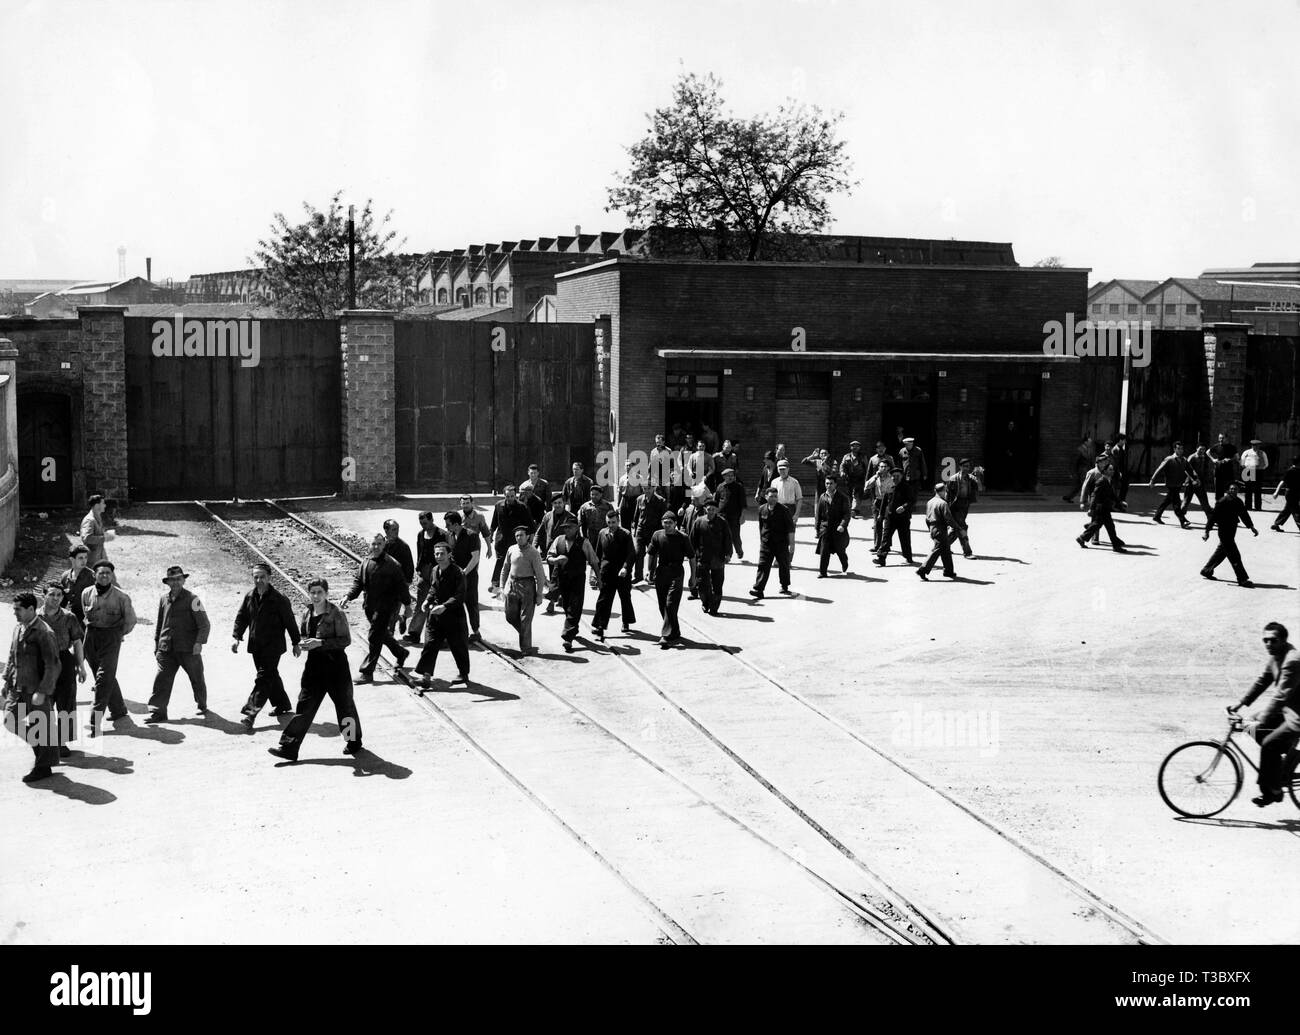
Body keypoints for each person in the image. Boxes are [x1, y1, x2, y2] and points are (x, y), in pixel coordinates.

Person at [269, 578, 363, 762]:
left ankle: (353, 741)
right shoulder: (307, 612)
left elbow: (345, 640)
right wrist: (303, 643)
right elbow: (304, 634)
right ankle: (289, 747)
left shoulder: (336, 613)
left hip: (336, 667)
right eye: (313, 592)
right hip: (314, 667)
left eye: (320, 592)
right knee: (304, 707)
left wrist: (320, 643)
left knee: (345, 707)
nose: (316, 596)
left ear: (326, 593)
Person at [1227, 622, 1299, 807]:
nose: (1268, 644)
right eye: (1265, 640)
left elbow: (1280, 695)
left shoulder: (1292, 660)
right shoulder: (1275, 656)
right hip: (1288, 710)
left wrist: (1264, 719)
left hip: (1297, 715)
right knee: (1249, 723)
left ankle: (1272, 791)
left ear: (1284, 639)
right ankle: (1279, 765)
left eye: (1273, 640)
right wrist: (1241, 704)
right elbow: (1262, 682)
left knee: (1268, 744)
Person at [233, 562, 302, 728]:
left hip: (273, 647)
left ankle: (250, 714)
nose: (259, 580)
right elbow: (242, 617)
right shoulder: (250, 596)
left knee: (263, 678)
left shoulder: (279, 600)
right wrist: (236, 637)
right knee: (270, 675)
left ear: (269, 578)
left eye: (262, 577)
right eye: (256, 577)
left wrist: (295, 642)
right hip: (256, 645)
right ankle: (282, 704)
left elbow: (290, 622)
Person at [3, 592, 60, 783]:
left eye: (18, 609)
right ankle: (42, 750)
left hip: (36, 690)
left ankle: (44, 766)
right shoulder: (18, 628)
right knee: (10, 721)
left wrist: (43, 691)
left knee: (41, 727)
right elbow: (12, 656)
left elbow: (53, 664)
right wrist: (6, 681)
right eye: (14, 609)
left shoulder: (44, 632)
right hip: (17, 687)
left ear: (30, 609)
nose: (15, 613)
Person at [342, 535, 411, 685]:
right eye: (373, 544)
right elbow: (358, 583)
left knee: (374, 636)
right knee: (381, 634)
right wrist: (348, 596)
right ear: (370, 545)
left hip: (386, 607)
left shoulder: (393, 565)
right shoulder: (366, 562)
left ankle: (367, 672)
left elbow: (402, 586)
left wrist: (407, 606)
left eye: (379, 544)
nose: (376, 547)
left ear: (384, 545)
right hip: (370, 606)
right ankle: (401, 652)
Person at [146, 565, 210, 724]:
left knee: (197, 678)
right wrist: (157, 645)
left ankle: (202, 704)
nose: (175, 583)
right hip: (166, 648)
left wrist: (199, 642)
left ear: (183, 580)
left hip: (188, 649)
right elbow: (160, 623)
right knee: (161, 680)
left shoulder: (193, 599)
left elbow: (204, 624)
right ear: (167, 582)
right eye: (172, 580)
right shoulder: (163, 599)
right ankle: (158, 712)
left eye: (178, 579)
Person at [81, 561, 136, 737]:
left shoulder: (122, 597)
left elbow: (130, 621)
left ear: (112, 576)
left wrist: (118, 635)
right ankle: (119, 709)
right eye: (101, 573)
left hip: (111, 638)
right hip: (91, 637)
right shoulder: (86, 593)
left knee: (103, 679)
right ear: (94, 575)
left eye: (108, 573)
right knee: (104, 675)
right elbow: (85, 614)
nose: (104, 576)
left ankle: (94, 722)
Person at [414, 541, 470, 686]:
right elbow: (433, 588)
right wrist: (427, 600)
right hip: (436, 615)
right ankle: (426, 677)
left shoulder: (458, 573)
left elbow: (460, 596)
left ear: (449, 554)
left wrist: (445, 606)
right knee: (430, 644)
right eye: (436, 554)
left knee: (458, 646)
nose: (439, 557)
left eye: (442, 554)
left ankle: (463, 674)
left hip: (454, 616)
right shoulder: (434, 570)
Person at [39, 583, 85, 760]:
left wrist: (81, 666)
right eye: (52, 594)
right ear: (44, 596)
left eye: (59, 595)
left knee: (66, 703)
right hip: (41, 663)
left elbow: (77, 641)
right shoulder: (34, 617)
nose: (56, 598)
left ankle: (61, 742)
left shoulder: (69, 617)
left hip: (64, 661)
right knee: (44, 705)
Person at [548, 515, 597, 652]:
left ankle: (567, 638)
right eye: (565, 528)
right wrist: (557, 559)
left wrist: (598, 578)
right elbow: (549, 557)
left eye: (570, 527)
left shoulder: (584, 542)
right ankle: (573, 628)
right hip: (562, 579)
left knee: (575, 606)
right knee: (567, 605)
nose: (567, 530)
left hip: (577, 579)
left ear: (577, 528)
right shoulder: (558, 540)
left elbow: (593, 561)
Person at [648, 511, 695, 647]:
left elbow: (692, 557)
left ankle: (666, 635)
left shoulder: (683, 537)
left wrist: (692, 576)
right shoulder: (657, 535)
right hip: (661, 572)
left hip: (676, 573)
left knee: (670, 604)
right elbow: (651, 553)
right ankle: (674, 631)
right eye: (665, 522)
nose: (667, 525)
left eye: (670, 523)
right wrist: (649, 571)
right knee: (662, 605)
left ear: (675, 524)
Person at [500, 526, 547, 654]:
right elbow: (505, 569)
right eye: (517, 536)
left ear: (528, 537)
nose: (519, 538)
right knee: (510, 616)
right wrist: (502, 587)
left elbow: (540, 575)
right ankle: (525, 634)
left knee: (525, 619)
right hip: (512, 584)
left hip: (528, 586)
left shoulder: (533, 553)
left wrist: (539, 594)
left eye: (521, 535)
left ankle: (526, 648)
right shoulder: (511, 549)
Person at [1200, 481, 1257, 586]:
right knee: (1234, 555)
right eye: (1231, 489)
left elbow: (1244, 514)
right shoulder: (1222, 501)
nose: (1233, 490)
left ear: (1238, 490)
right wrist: (1207, 531)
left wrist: (1251, 527)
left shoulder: (1238, 501)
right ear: (1228, 490)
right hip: (1224, 531)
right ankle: (1242, 579)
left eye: (1235, 489)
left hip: (1232, 530)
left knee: (1221, 552)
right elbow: (1213, 517)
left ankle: (1206, 570)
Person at [592, 508, 636, 640]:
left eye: (613, 522)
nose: (611, 525)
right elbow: (597, 554)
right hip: (607, 572)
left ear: (618, 521)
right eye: (609, 522)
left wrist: (626, 568)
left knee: (625, 597)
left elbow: (631, 554)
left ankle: (626, 621)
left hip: (622, 573)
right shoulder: (602, 533)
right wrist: (595, 574)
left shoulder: (626, 534)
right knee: (604, 600)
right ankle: (600, 626)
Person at [405, 511, 448, 643]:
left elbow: (446, 554)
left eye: (425, 523)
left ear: (431, 520)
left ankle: (441, 637)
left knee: (439, 604)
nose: (423, 525)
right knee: (421, 602)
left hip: (437, 572)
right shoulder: (420, 534)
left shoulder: (442, 534)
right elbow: (420, 551)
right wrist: (418, 568)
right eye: (421, 523)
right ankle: (414, 633)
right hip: (424, 572)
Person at [534, 494, 578, 616]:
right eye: (555, 503)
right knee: (554, 577)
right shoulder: (547, 516)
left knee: (561, 577)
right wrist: (534, 547)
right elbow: (540, 532)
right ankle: (555, 599)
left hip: (565, 553)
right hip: (551, 553)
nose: (557, 505)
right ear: (552, 505)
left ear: (564, 503)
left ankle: (554, 601)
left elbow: (576, 535)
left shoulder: (571, 517)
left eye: (559, 503)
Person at [689, 499, 734, 615]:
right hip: (703, 558)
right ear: (705, 509)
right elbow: (692, 539)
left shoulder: (722, 522)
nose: (711, 512)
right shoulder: (699, 522)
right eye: (709, 509)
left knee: (717, 585)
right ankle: (705, 603)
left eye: (714, 509)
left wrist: (728, 554)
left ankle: (714, 608)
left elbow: (728, 539)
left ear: (717, 510)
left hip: (718, 559)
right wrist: (691, 554)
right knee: (702, 584)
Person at [444, 511, 482, 643]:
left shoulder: (471, 535)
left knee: (471, 603)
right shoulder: (450, 535)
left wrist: (465, 572)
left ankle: (476, 631)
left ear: (455, 524)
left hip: (469, 576)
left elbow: (475, 557)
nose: (446, 527)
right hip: (455, 576)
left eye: (448, 524)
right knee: (454, 603)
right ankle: (457, 632)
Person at [749, 486, 794, 598]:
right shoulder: (762, 509)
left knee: (784, 565)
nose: (773, 498)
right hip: (766, 543)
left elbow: (790, 528)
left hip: (781, 543)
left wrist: (792, 544)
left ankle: (784, 586)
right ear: (765, 497)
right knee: (763, 565)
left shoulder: (784, 510)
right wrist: (761, 540)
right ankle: (759, 589)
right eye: (771, 496)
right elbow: (761, 526)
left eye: (775, 496)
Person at [489, 485, 534, 593]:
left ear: (515, 495)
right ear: (504, 495)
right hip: (501, 539)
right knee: (501, 560)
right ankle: (495, 584)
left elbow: (530, 525)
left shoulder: (522, 507)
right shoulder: (499, 505)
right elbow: (494, 521)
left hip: (516, 539)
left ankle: (513, 585)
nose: (510, 498)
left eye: (512, 496)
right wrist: (491, 533)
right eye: (507, 496)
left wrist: (529, 539)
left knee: (515, 562)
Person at [917, 482, 963, 580]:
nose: (946, 493)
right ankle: (923, 569)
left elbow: (927, 518)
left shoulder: (930, 501)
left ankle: (948, 571)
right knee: (937, 549)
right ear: (942, 491)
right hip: (940, 529)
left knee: (946, 550)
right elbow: (949, 519)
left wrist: (930, 529)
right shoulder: (943, 503)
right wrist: (958, 528)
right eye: (945, 491)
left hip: (933, 527)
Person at [1076, 466, 1126, 552]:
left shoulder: (1107, 481)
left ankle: (1082, 537)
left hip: (1104, 507)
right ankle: (1116, 546)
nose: (1112, 471)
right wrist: (1091, 508)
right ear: (1105, 471)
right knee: (1110, 527)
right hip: (1101, 507)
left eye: (1113, 469)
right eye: (1110, 470)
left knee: (1098, 524)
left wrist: (1120, 502)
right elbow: (1094, 495)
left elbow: (1112, 495)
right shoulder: (1101, 481)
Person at [874, 468, 915, 566]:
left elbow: (912, 501)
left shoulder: (907, 487)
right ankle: (881, 558)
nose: (895, 478)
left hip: (903, 518)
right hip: (890, 517)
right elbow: (884, 501)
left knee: (904, 538)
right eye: (894, 476)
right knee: (886, 537)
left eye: (898, 476)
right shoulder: (890, 486)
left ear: (901, 476)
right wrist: (881, 514)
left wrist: (904, 507)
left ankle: (908, 556)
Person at [814, 473, 851, 577]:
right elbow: (818, 514)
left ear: (835, 484)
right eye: (827, 483)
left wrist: (842, 525)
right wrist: (817, 529)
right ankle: (822, 572)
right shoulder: (822, 497)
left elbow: (846, 514)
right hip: (825, 528)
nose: (828, 485)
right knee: (824, 550)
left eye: (831, 483)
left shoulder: (843, 497)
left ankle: (844, 562)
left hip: (838, 528)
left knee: (840, 550)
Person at [1148, 443, 1192, 528]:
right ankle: (1183, 521)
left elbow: (1190, 470)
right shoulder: (1169, 459)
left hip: (1178, 484)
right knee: (1177, 503)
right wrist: (1152, 480)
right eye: (1178, 448)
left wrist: (1195, 478)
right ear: (1174, 449)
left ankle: (1157, 516)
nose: (1180, 450)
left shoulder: (1184, 460)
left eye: (1182, 449)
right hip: (1171, 484)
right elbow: (1159, 469)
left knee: (1167, 501)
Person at [632, 485, 668, 585]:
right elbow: (636, 516)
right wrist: (634, 530)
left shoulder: (661, 501)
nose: (646, 491)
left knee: (653, 554)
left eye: (649, 488)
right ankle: (638, 576)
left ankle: (651, 576)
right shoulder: (640, 499)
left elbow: (664, 518)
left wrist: (661, 533)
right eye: (644, 488)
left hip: (653, 532)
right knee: (638, 553)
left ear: (653, 488)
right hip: (641, 530)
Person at [945, 458, 980, 558]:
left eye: (968, 466)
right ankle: (967, 552)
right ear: (960, 467)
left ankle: (943, 546)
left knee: (956, 529)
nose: (966, 468)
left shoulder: (971, 478)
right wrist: (946, 508)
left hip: (965, 505)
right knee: (962, 527)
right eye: (964, 466)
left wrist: (978, 477)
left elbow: (980, 488)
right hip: (955, 505)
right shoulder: (953, 479)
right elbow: (948, 495)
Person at [770, 459, 803, 561]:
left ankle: (789, 560)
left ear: (788, 469)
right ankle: (778, 559)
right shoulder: (774, 482)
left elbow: (799, 499)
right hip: (777, 510)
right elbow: (771, 498)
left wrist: (796, 514)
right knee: (777, 536)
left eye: (784, 469)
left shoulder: (794, 482)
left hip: (790, 510)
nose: (782, 471)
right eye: (780, 469)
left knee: (790, 537)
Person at [865, 461, 897, 557]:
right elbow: (866, 485)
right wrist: (875, 477)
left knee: (888, 524)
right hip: (878, 501)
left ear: (888, 468)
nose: (882, 468)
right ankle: (877, 545)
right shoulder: (876, 477)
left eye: (884, 467)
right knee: (877, 523)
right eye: (881, 466)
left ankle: (887, 544)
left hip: (887, 502)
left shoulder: (891, 478)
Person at [714, 468, 747, 561]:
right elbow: (716, 501)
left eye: (732, 475)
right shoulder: (720, 487)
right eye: (728, 476)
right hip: (721, 515)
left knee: (735, 535)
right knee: (724, 536)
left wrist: (742, 515)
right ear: (724, 477)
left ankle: (739, 550)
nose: (731, 477)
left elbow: (743, 503)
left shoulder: (739, 487)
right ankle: (728, 555)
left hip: (734, 516)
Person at [60, 545, 95, 624]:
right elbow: (62, 602)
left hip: (87, 620)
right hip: (71, 619)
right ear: (72, 559)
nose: (84, 561)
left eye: (85, 557)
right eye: (80, 558)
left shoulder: (92, 577)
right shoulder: (65, 576)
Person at [79, 494, 110, 570]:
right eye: (103, 503)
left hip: (98, 556)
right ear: (97, 505)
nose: (105, 505)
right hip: (91, 560)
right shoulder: (89, 520)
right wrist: (104, 538)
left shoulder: (97, 516)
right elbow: (87, 538)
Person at [1183, 444, 1214, 520]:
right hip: (1191, 483)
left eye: (1203, 449)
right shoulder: (1192, 457)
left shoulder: (1203, 457)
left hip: (1200, 483)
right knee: (1186, 502)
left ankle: (1210, 519)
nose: (1202, 451)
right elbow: (1186, 469)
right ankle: (1181, 518)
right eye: (1200, 449)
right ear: (1196, 448)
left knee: (1204, 502)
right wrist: (1193, 480)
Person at [838, 441, 868, 519]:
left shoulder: (863, 456)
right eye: (853, 446)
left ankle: (854, 510)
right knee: (849, 494)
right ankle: (850, 509)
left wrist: (866, 478)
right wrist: (842, 472)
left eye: (857, 446)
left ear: (859, 447)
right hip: (849, 478)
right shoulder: (846, 456)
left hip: (859, 478)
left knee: (857, 494)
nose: (855, 447)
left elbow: (867, 467)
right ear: (850, 447)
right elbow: (842, 465)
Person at [577, 483, 613, 548]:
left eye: (596, 495)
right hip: (590, 536)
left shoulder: (607, 506)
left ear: (601, 494)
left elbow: (613, 520)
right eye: (592, 494)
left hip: (604, 534)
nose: (594, 496)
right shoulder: (584, 507)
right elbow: (580, 522)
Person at [1270, 457, 1300, 532]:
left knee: (1287, 509)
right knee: (1296, 510)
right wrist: (1276, 492)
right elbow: (1282, 482)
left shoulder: (1298, 471)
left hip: (1295, 493)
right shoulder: (1290, 471)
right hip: (1291, 493)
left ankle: (1276, 524)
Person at [1239, 439, 1269, 511]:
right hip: (1248, 471)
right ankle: (1248, 506)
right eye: (1254, 445)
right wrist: (1245, 467)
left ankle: (1258, 506)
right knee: (1248, 489)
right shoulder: (1247, 452)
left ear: (1259, 446)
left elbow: (1266, 463)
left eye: (1257, 445)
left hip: (1258, 471)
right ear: (1251, 445)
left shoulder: (1262, 453)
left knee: (1258, 489)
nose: (1255, 447)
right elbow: (1242, 461)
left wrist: (1261, 468)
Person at [1063, 434, 1094, 502]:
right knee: (1085, 485)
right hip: (1081, 471)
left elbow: (1090, 461)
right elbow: (1074, 462)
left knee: (1078, 486)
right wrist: (1072, 473)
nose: (1091, 443)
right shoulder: (1079, 450)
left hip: (1087, 470)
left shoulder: (1089, 450)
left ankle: (1068, 497)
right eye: (1089, 442)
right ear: (1085, 442)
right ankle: (1084, 500)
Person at [1208, 432, 1237, 504]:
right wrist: (1213, 459)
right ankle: (1218, 504)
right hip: (1218, 470)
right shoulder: (1216, 446)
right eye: (1219, 438)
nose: (1220, 439)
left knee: (1229, 487)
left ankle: (1230, 503)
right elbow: (1207, 452)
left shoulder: (1232, 447)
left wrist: (1229, 459)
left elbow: (1236, 457)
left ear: (1226, 438)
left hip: (1228, 471)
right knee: (1218, 488)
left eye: (1222, 438)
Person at [616, 458, 645, 531]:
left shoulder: (639, 478)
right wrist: (618, 505)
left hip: (636, 501)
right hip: (625, 501)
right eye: (627, 466)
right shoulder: (622, 479)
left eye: (630, 465)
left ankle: (636, 538)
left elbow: (643, 492)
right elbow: (619, 493)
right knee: (624, 523)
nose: (628, 467)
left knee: (636, 521)